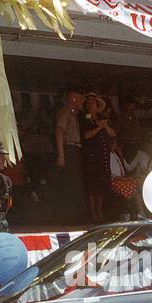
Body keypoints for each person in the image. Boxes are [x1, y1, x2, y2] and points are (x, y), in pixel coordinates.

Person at [80, 93, 117, 223]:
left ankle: (100, 211)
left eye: (93, 103)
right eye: (88, 103)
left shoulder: (103, 117)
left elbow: (113, 134)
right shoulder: (84, 118)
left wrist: (105, 125)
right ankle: (93, 212)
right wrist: (99, 127)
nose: (91, 105)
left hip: (103, 156)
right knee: (91, 185)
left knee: (101, 185)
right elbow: (86, 135)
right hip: (90, 156)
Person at [54, 87, 87, 223]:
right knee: (70, 183)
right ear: (73, 99)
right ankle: (68, 217)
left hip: (74, 149)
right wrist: (61, 155)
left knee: (75, 183)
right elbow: (59, 131)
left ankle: (74, 215)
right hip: (68, 148)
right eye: (79, 99)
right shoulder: (66, 112)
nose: (81, 101)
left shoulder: (75, 113)